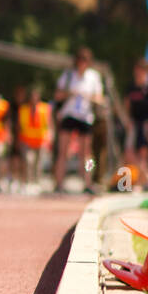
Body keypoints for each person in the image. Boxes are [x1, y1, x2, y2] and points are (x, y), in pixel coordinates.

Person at [53, 46, 104, 193]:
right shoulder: (69, 75)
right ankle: (59, 183)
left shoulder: (93, 77)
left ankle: (88, 183)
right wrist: (70, 93)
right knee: (63, 151)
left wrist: (87, 96)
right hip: (69, 114)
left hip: (85, 116)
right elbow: (57, 95)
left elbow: (99, 98)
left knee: (86, 153)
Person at [123, 59, 148, 191]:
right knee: (129, 153)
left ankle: (141, 184)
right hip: (134, 124)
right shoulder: (131, 88)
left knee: (143, 155)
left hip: (146, 124)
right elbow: (127, 107)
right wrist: (127, 121)